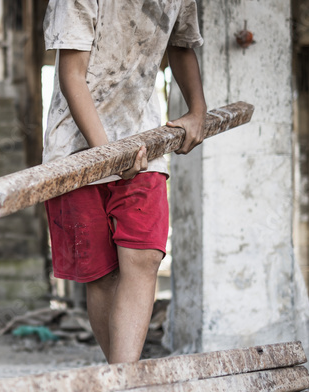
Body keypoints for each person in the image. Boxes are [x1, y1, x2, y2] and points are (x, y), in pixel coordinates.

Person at [42, 0, 206, 363]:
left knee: (144, 256)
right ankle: (122, 379)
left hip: (143, 141)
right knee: (102, 274)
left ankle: (124, 379)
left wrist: (197, 110)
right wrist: (109, 157)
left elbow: (181, 44)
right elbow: (73, 74)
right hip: (76, 151)